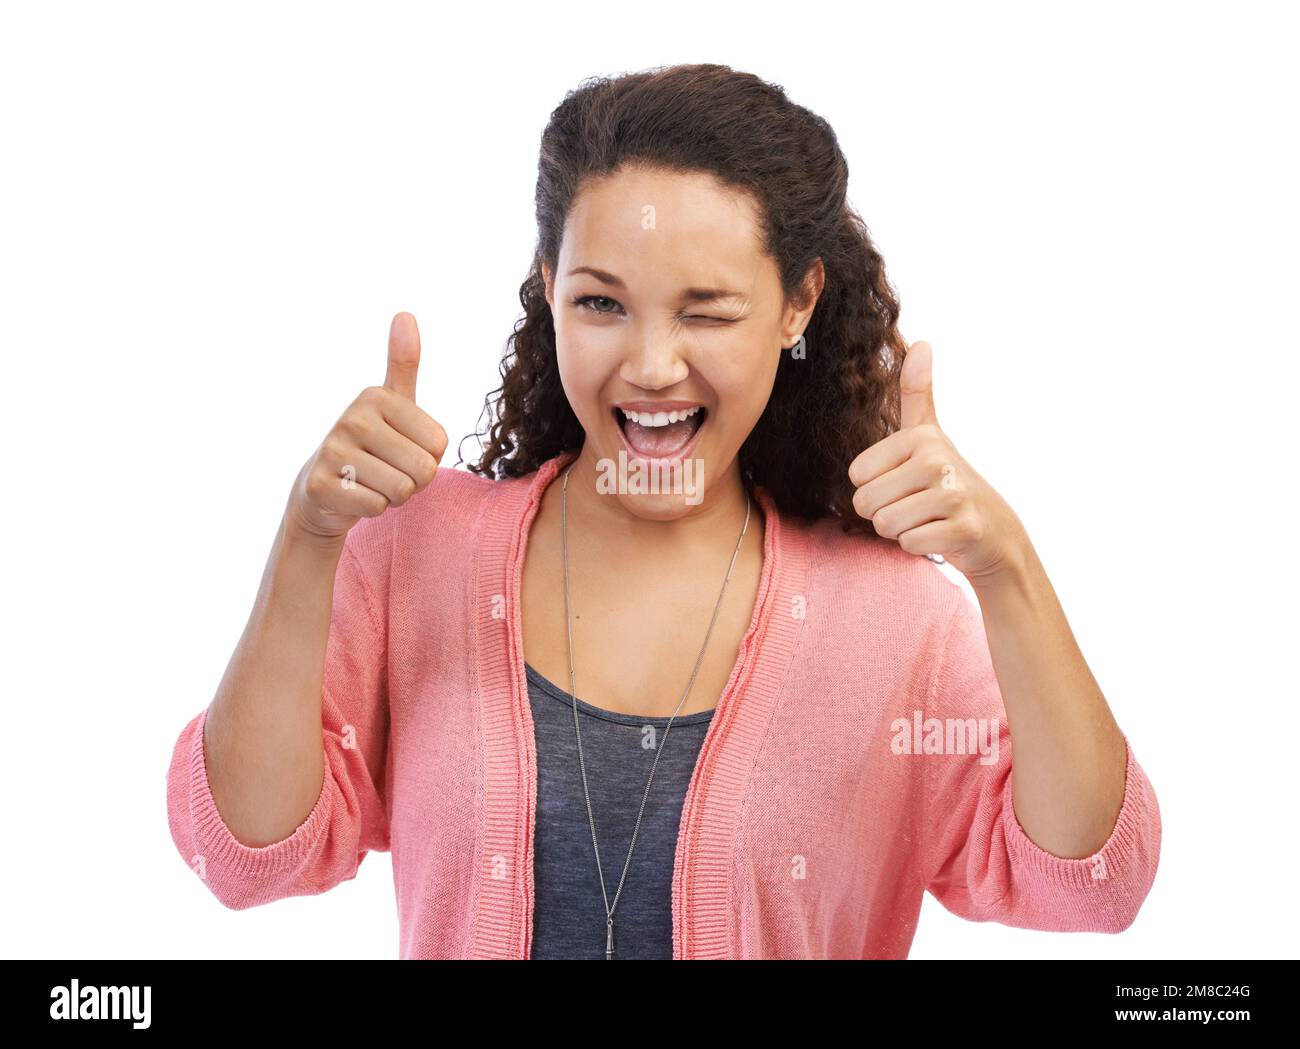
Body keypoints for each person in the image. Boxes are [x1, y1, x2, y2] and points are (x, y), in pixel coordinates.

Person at [165, 63, 1161, 959]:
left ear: (797, 305)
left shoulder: (896, 621)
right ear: (549, 288)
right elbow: (245, 854)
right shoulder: (411, 551)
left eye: (706, 310)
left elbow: (1093, 884)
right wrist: (309, 537)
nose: (649, 365)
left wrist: (1006, 569)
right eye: (601, 302)